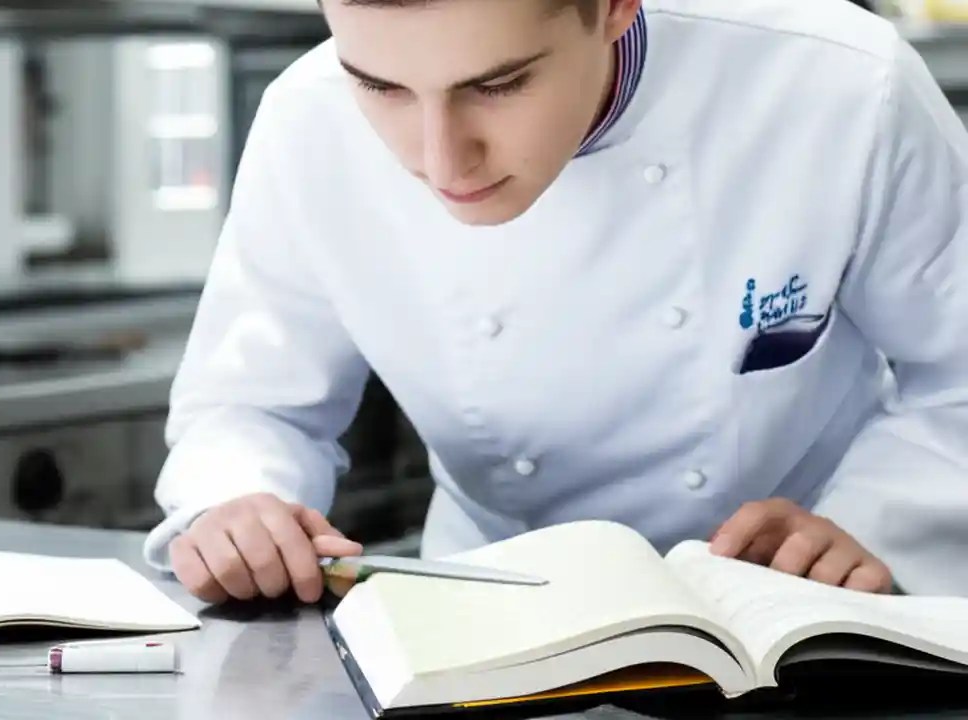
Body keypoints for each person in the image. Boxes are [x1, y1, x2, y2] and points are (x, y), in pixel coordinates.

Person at [142, 0, 968, 605]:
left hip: (801, 615)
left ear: (613, 8)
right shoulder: (307, 119)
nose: (442, 160)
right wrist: (234, 502)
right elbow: (249, 405)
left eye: (497, 85)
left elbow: (959, 377)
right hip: (484, 622)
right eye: (381, 87)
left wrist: (869, 526)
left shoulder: (843, 85)